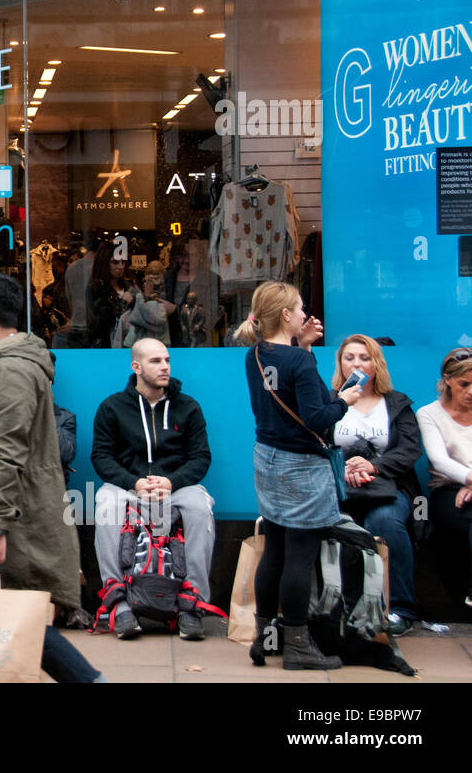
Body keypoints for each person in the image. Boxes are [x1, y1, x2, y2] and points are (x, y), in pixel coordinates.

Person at [0, 273, 104, 682]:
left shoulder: (11, 371)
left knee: (21, 624)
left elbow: (9, 452)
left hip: (11, 522)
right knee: (2, 626)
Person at [236, 281, 362, 671]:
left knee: (274, 547)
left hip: (267, 459)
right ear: (287, 315)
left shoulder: (255, 354)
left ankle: (262, 638)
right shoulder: (299, 362)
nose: (307, 313)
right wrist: (345, 399)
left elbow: (288, 390)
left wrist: (303, 345)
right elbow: (318, 417)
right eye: (301, 308)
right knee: (300, 557)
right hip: (302, 466)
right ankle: (297, 646)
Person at [90, 338, 215, 640]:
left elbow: (201, 457)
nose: (165, 367)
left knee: (200, 507)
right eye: (156, 361)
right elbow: (101, 456)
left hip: (175, 487)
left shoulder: (188, 408)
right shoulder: (112, 407)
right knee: (106, 503)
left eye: (167, 361)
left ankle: (192, 605)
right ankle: (118, 603)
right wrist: (134, 482)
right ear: (136, 367)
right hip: (131, 487)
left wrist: (172, 481)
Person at [330, 335, 424, 635]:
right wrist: (343, 467)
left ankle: (400, 608)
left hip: (388, 488)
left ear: (376, 363)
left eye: (364, 357)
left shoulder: (396, 403)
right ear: (340, 364)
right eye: (349, 358)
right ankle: (345, 607)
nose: (356, 363)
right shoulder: (330, 402)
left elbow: (410, 449)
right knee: (340, 528)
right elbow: (315, 442)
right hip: (341, 487)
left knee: (384, 522)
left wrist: (374, 465)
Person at [417, 347, 472, 610]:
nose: (471, 391)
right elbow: (440, 460)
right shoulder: (429, 414)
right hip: (448, 488)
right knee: (462, 522)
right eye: (465, 384)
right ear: (448, 380)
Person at [87, 242, 141, 349]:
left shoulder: (129, 285)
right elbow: (97, 324)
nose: (120, 267)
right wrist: (122, 303)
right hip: (108, 346)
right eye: (115, 262)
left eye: (122, 262)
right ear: (104, 263)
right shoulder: (97, 288)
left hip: (131, 343)